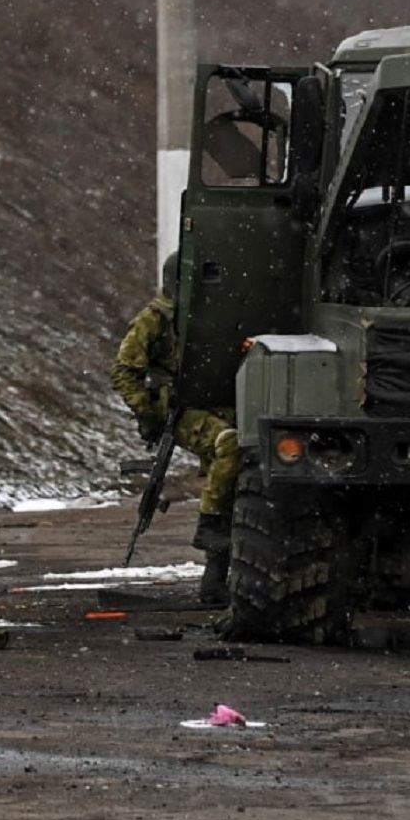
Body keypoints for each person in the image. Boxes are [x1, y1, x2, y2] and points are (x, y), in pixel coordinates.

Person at [110, 253, 239, 603]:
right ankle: (208, 527)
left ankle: (214, 584)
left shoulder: (212, 315)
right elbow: (123, 372)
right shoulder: (155, 319)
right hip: (178, 407)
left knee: (230, 479)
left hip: (217, 405)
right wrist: (148, 411)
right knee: (229, 445)